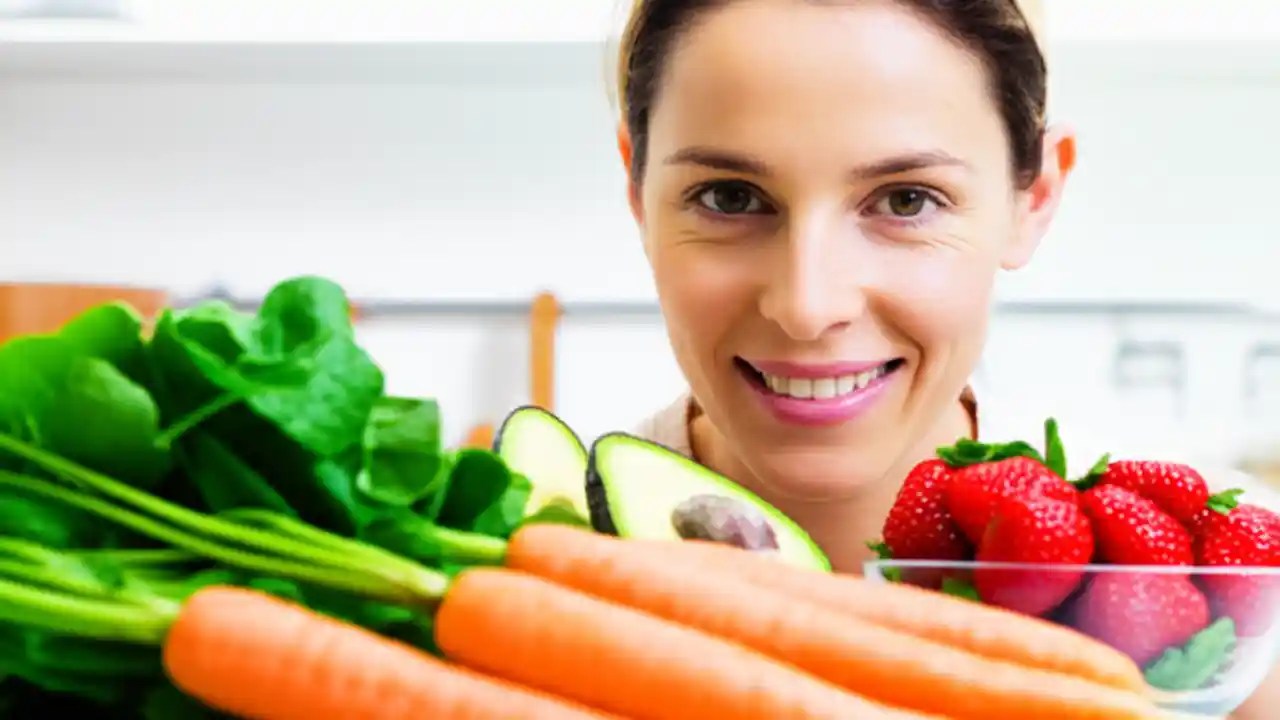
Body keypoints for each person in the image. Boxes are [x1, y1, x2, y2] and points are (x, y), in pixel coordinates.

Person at [613, 0, 1278, 716]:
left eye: (905, 201)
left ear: (1035, 199)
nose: (807, 305)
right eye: (729, 197)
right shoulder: (514, 557)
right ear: (639, 195)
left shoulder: (1218, 610)